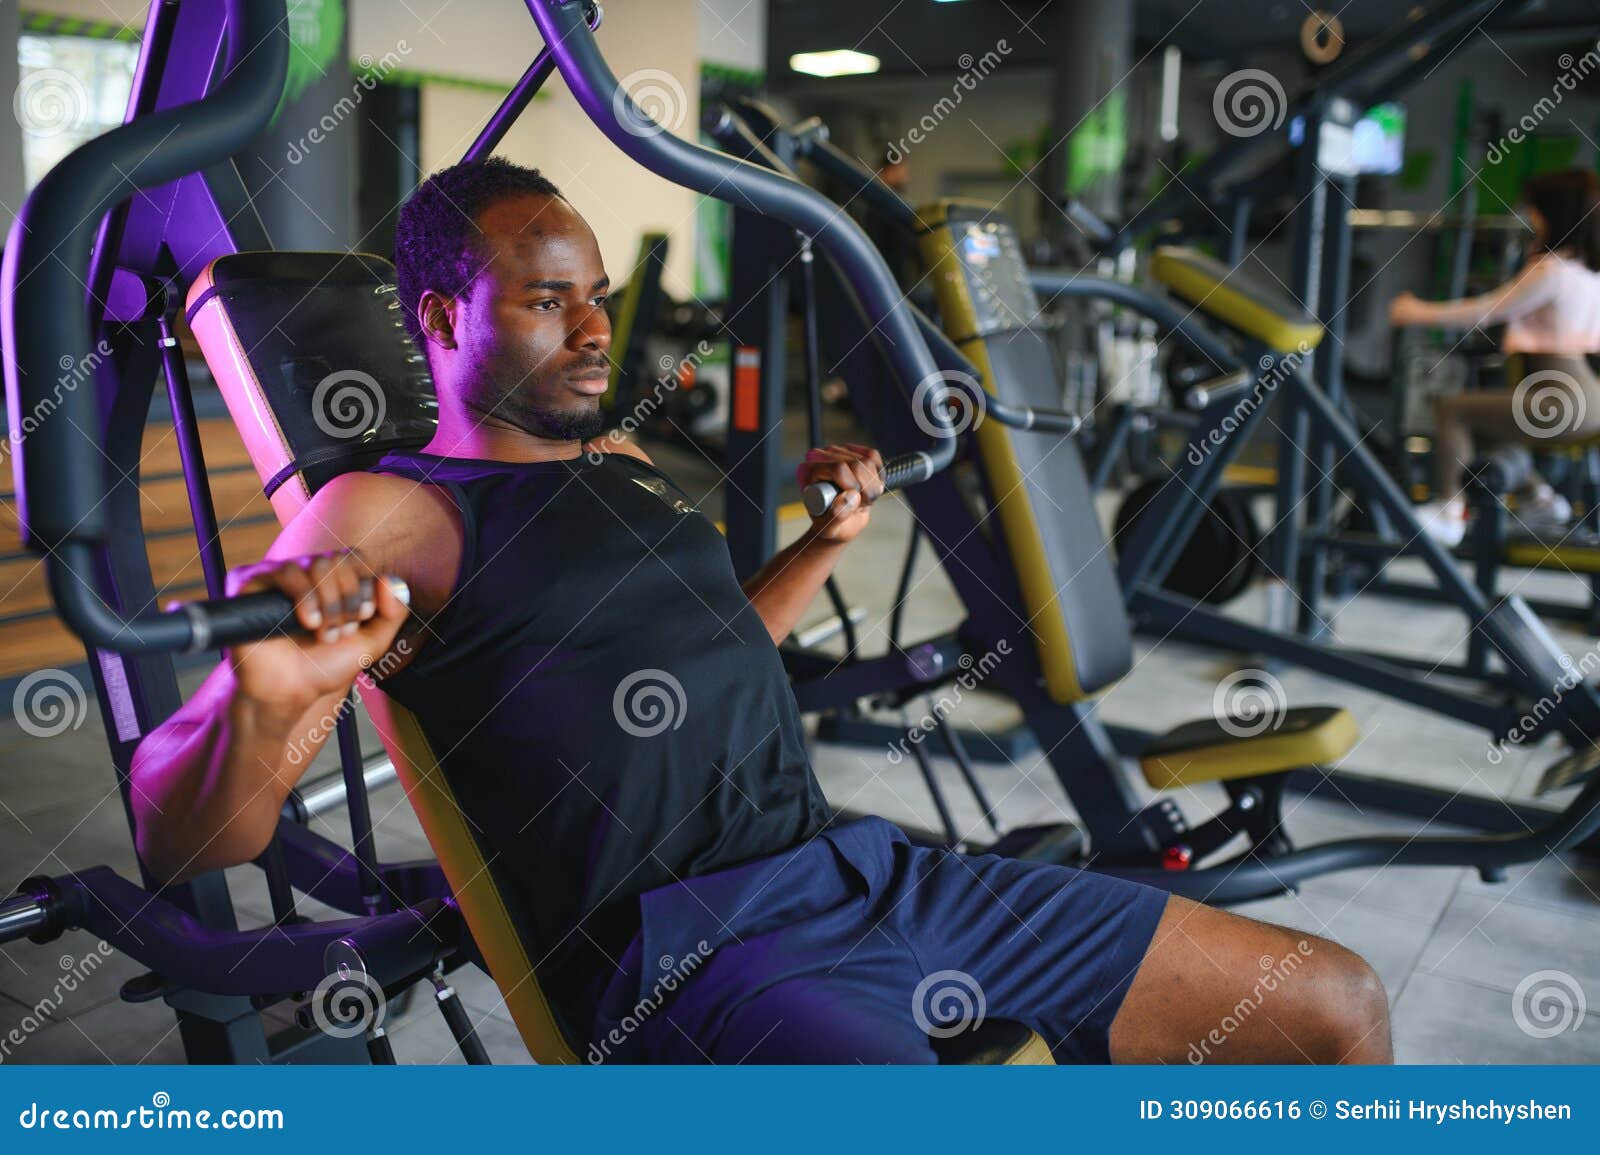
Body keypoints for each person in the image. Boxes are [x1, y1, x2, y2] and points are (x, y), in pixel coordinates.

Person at [130, 157, 1390, 1065]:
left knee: (1333, 1003)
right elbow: (191, 834)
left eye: (597, 296)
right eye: (547, 300)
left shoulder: (618, 468)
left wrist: (823, 547)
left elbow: (720, 645)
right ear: (444, 318)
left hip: (868, 870)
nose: (591, 331)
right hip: (695, 951)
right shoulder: (386, 512)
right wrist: (270, 697)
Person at [1390, 168, 1600, 546]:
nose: (1529, 218)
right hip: (1590, 399)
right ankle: (1543, 499)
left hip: (1562, 398)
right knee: (1487, 420)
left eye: (1533, 210)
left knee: (1452, 410)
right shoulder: (1587, 274)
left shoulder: (1551, 270)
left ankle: (1449, 512)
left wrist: (1417, 311)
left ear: (1551, 212)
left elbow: (1489, 309)